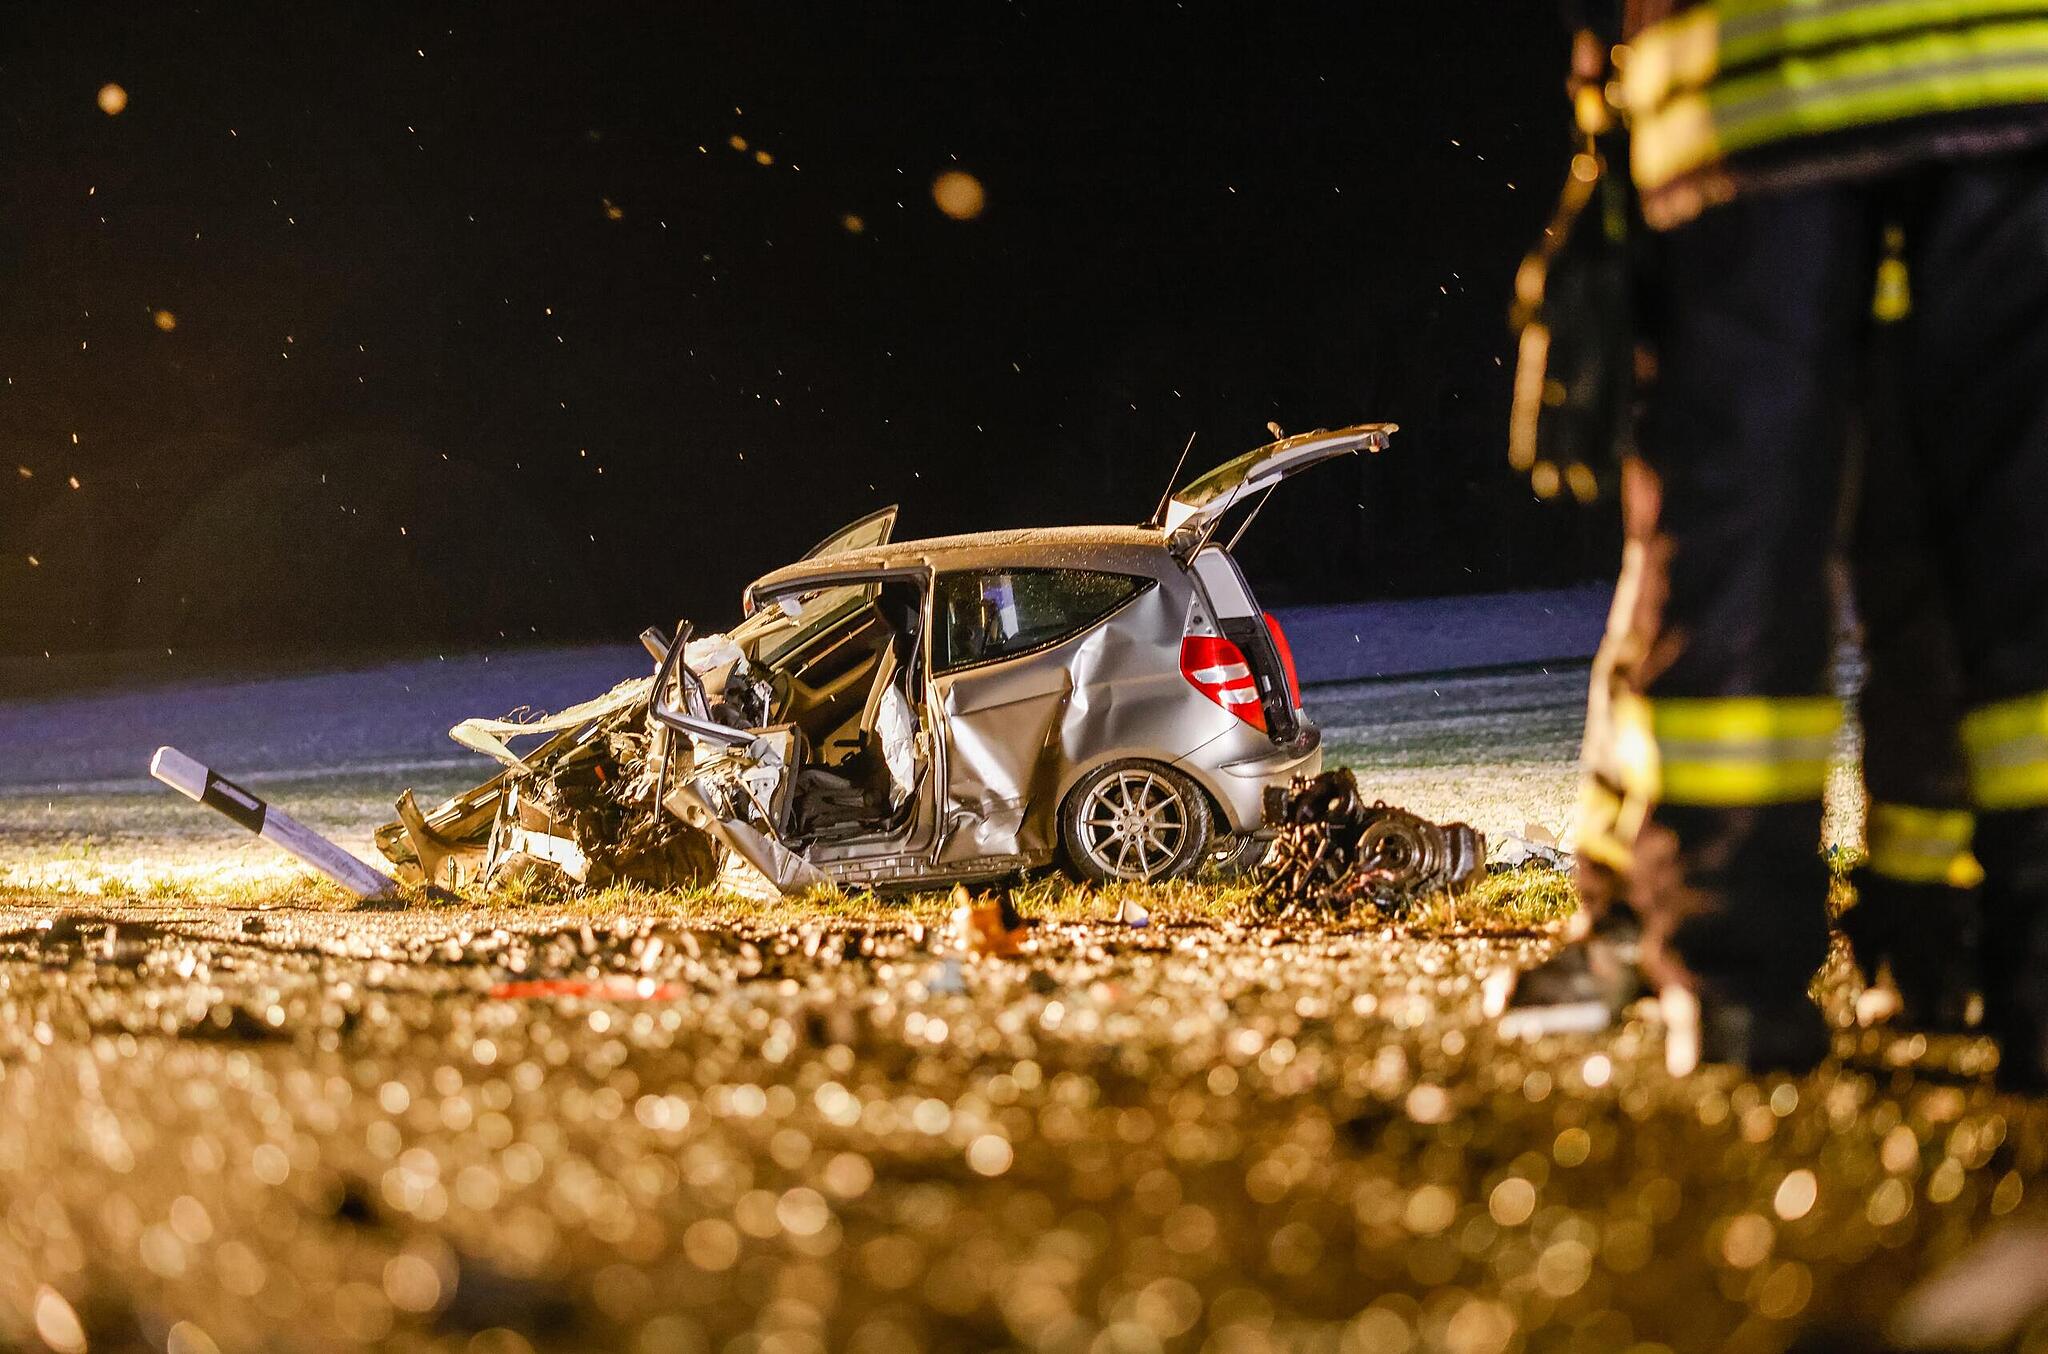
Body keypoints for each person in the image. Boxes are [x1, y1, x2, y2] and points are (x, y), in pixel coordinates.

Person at [1493, 0, 2048, 1080]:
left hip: (1746, 92)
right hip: (2013, 73)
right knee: (2023, 538)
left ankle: (1730, 989)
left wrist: (1598, 118)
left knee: (1730, 541)